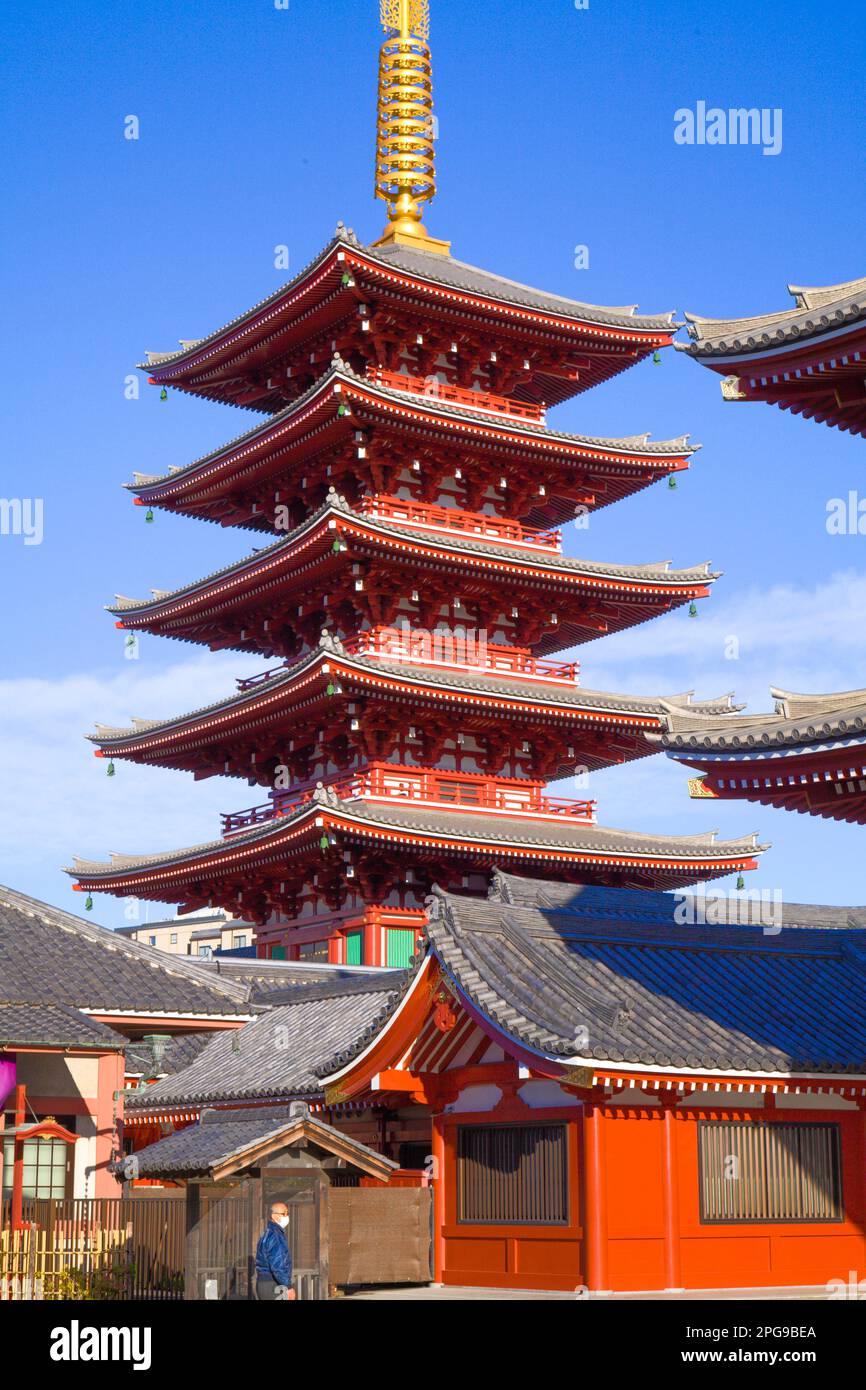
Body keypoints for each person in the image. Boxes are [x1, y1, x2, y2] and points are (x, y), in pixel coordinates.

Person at [255, 1201, 296, 1300]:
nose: (287, 1216)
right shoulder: (276, 1236)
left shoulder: (267, 1234)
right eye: (284, 1213)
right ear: (274, 1216)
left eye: (288, 1213)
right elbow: (278, 1265)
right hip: (273, 1284)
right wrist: (288, 1287)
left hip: (264, 1283)